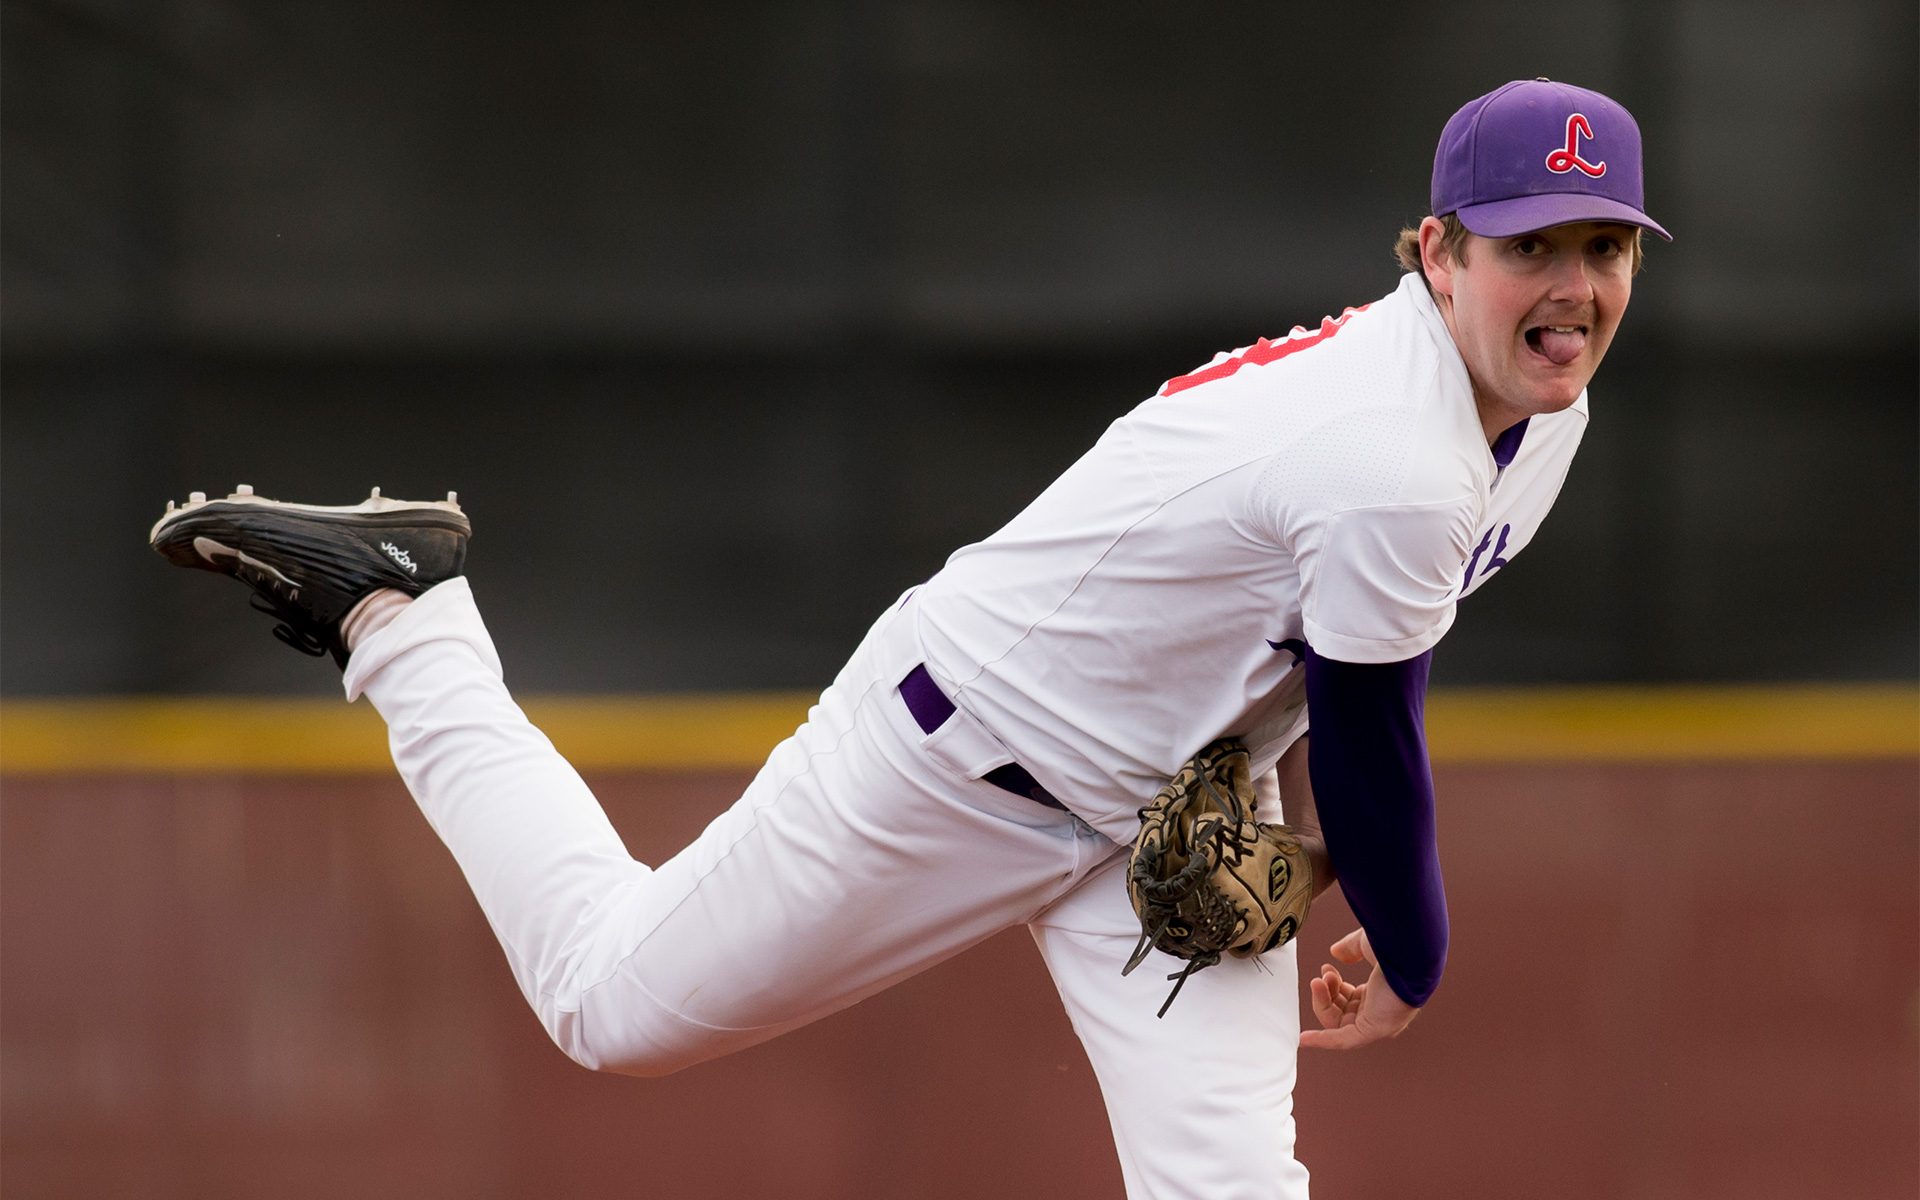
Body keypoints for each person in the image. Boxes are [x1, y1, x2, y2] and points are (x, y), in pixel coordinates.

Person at [149, 78, 1667, 1197]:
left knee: (1232, 1191)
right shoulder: (1388, 447)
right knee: (609, 1006)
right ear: (1436, 253)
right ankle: (404, 616)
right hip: (956, 761)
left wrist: (1312, 844)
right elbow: (1375, 732)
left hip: (1163, 812)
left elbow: (1333, 671)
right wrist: (1412, 951)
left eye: (1605, 248)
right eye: (1534, 245)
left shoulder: (1543, 410)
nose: (1574, 287)